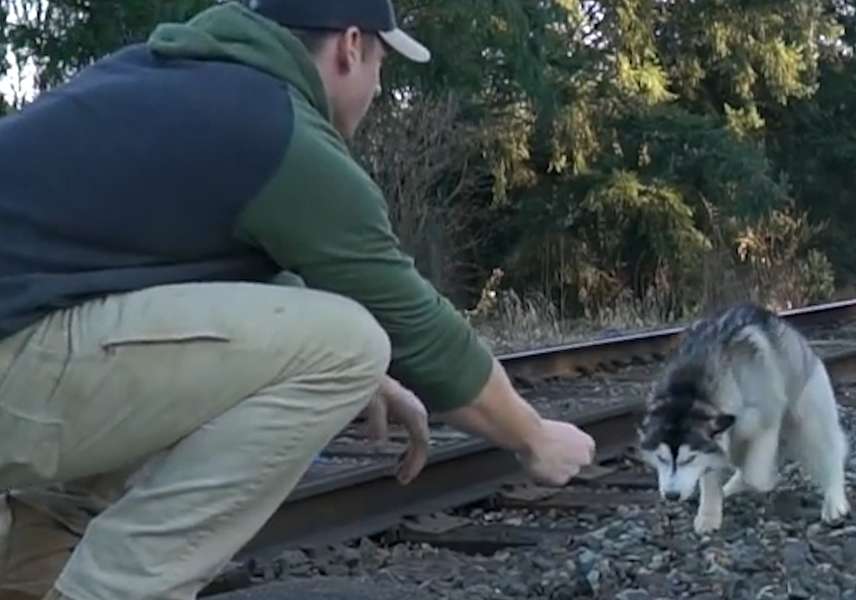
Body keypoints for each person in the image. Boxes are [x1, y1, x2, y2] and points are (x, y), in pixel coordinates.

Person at [0, 1, 597, 598]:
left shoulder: (166, 79)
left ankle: (29, 578)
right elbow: (417, 326)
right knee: (349, 341)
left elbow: (174, 296)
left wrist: (374, 379)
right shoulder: (279, 129)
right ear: (351, 47)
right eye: (382, 66)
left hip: (21, 342)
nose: (379, 86)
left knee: (339, 349)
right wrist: (533, 436)